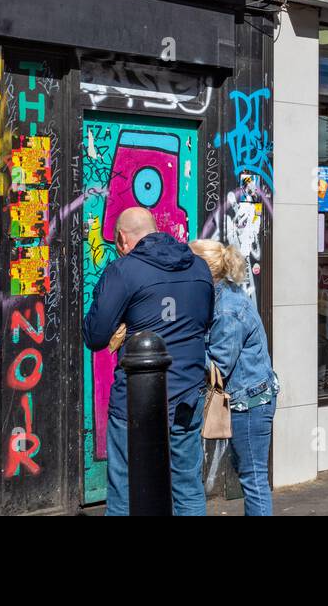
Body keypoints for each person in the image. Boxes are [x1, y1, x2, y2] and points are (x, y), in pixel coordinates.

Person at [83, 207, 215, 516]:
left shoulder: (123, 270)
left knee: (124, 492)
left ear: (121, 239)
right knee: (187, 487)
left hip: (135, 400)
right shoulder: (199, 268)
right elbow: (205, 322)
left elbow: (95, 335)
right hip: (187, 393)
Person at [193, 239, 278, 517]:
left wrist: (186, 346)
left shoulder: (227, 308)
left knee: (253, 478)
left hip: (250, 403)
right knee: (250, 475)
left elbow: (219, 366)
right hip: (250, 397)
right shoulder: (220, 296)